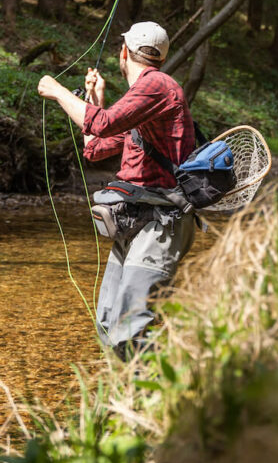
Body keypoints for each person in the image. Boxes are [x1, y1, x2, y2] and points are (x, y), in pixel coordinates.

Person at [37, 21, 197, 356]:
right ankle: (127, 401)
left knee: (133, 328)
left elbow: (101, 123)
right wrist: (97, 98)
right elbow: (95, 147)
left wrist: (56, 90)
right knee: (109, 325)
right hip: (137, 222)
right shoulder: (146, 97)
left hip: (160, 224)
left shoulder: (157, 87)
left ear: (124, 53)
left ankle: (162, 402)